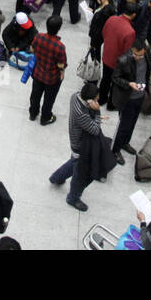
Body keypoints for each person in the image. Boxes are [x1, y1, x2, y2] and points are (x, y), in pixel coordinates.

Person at [48, 81, 107, 211]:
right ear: (90, 100)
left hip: (75, 142)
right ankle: (73, 198)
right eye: (96, 99)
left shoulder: (75, 96)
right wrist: (97, 113)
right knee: (80, 174)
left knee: (74, 161)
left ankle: (56, 177)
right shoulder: (81, 114)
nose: (98, 100)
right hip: (81, 146)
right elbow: (95, 130)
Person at [110, 38, 151, 164]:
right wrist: (129, 84)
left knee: (133, 123)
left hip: (140, 96)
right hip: (128, 99)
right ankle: (115, 150)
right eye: (136, 55)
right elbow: (115, 77)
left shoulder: (145, 53)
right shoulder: (123, 60)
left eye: (141, 55)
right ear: (132, 50)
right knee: (124, 126)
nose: (139, 57)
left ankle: (125, 142)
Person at [28, 15, 67, 124]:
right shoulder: (60, 46)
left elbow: (32, 50)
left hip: (38, 73)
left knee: (35, 95)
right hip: (52, 78)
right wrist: (62, 73)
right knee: (49, 99)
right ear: (58, 29)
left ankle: (33, 113)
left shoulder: (38, 37)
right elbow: (60, 65)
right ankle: (45, 117)